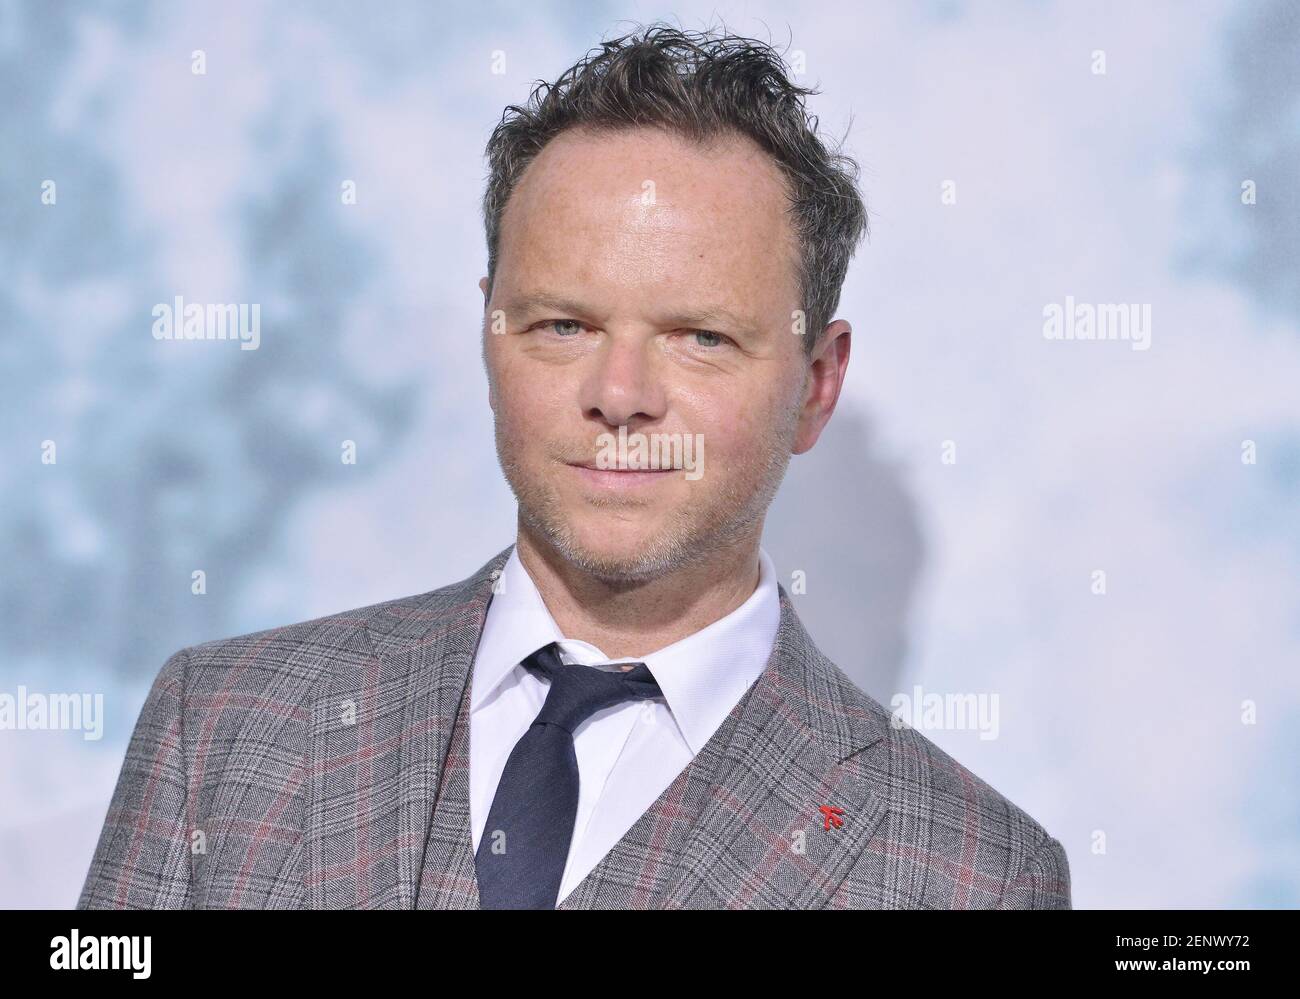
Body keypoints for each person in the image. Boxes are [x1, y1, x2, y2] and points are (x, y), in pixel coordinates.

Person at [78, 22, 1069, 909]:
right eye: (563, 324)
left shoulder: (970, 876)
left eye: (698, 337)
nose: (621, 393)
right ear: (489, 330)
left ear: (815, 383)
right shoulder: (220, 728)